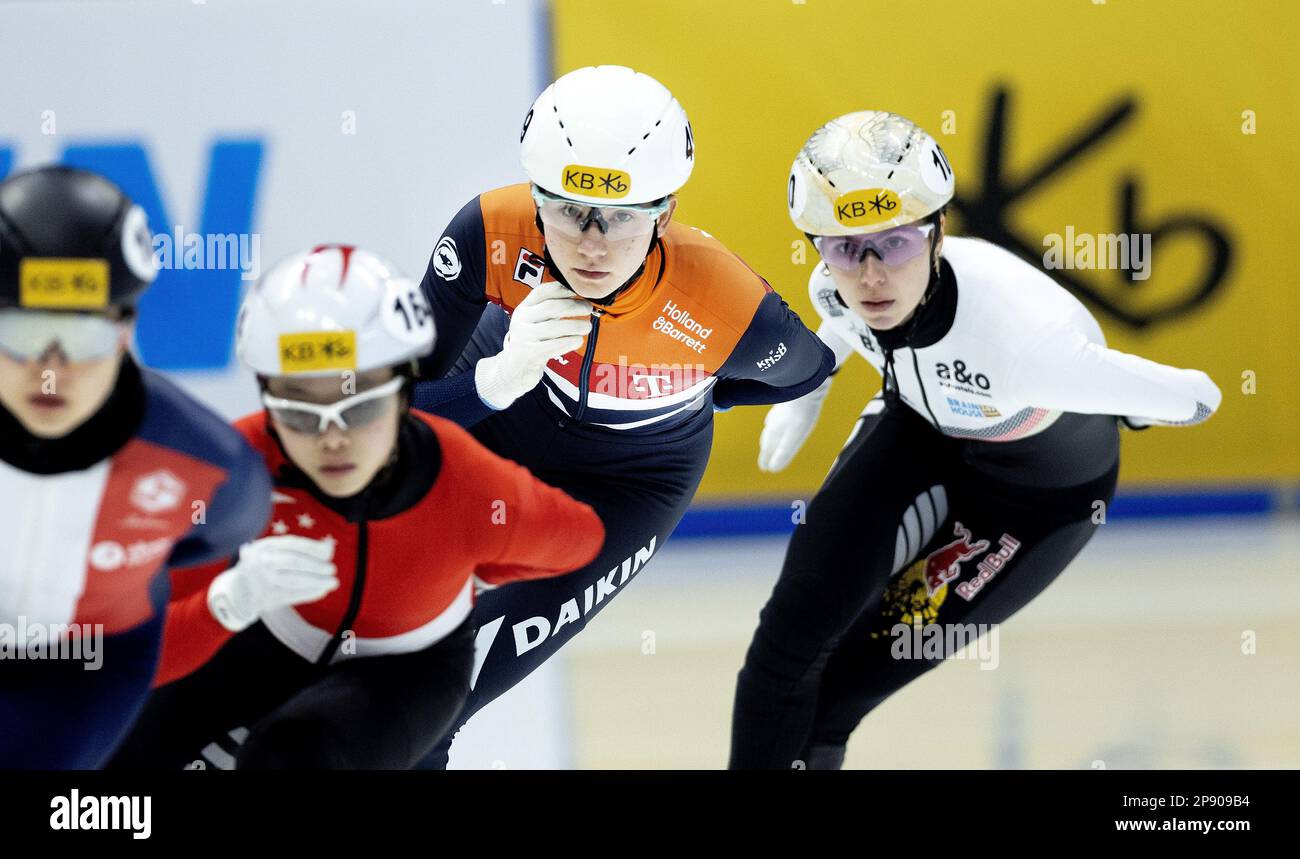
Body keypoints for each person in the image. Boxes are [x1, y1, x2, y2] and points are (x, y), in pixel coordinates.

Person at [729, 111, 1223, 769]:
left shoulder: (1023, 339)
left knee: (840, 689)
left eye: (895, 243)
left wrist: (1130, 400)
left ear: (937, 234)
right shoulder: (838, 286)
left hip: (1035, 502)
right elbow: (841, 321)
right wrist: (809, 393)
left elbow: (1198, 395)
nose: (871, 275)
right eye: (846, 247)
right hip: (916, 433)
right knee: (786, 644)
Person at [411, 65, 835, 766]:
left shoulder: (722, 299)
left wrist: (704, 390)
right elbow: (386, 420)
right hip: (498, 427)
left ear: (665, 214)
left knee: (435, 696)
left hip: (630, 487)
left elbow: (808, 369)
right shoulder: (491, 228)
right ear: (536, 200)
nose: (594, 244)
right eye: (570, 212)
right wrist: (495, 381)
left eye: (624, 217)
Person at [109, 245, 604, 769]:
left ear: (403, 393)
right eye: (301, 413)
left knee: (291, 759)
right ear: (265, 399)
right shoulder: (233, 469)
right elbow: (133, 656)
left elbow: (580, 540)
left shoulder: (464, 478)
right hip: (271, 637)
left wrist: (470, 576)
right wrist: (227, 602)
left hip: (406, 672)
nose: (333, 439)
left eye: (360, 407)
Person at [0, 166, 271, 768]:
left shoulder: (212, 469)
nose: (52, 368)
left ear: (125, 334)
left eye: (83, 337)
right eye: (25, 329)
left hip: (87, 664)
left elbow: (216, 534)